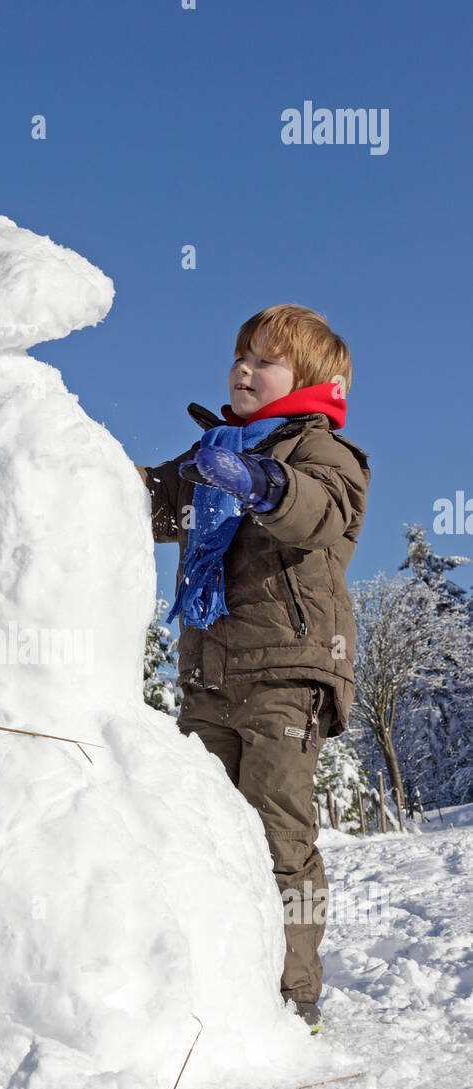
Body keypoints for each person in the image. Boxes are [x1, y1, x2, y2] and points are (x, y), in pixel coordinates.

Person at [138, 304, 370, 1031]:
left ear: (309, 380)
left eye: (264, 359)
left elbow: (318, 515)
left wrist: (258, 482)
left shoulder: (323, 455)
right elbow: (139, 502)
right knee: (203, 832)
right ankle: (217, 980)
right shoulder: (210, 456)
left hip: (286, 676)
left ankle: (293, 994)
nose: (243, 367)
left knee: (277, 837)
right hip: (209, 678)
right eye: (240, 354)